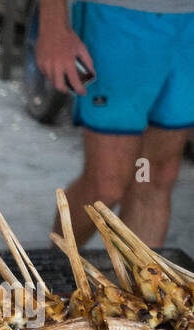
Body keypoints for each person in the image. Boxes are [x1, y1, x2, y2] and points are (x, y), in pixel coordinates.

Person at [37, 0, 194, 246]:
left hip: (188, 23)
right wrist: (53, 26)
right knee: (106, 184)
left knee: (156, 176)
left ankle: (141, 283)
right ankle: (58, 273)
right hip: (116, 17)